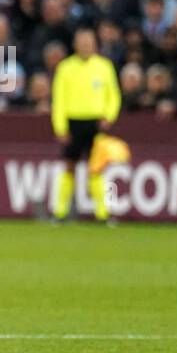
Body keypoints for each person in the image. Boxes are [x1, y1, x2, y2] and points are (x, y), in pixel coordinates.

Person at [50, 26, 120, 223]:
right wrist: (60, 127)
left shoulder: (104, 66)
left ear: (95, 44)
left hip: (95, 122)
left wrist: (109, 116)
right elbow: (59, 100)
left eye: (89, 43)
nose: (85, 46)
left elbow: (113, 95)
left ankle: (103, 213)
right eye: (82, 43)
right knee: (69, 166)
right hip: (73, 121)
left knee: (98, 168)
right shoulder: (65, 68)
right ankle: (60, 212)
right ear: (75, 45)